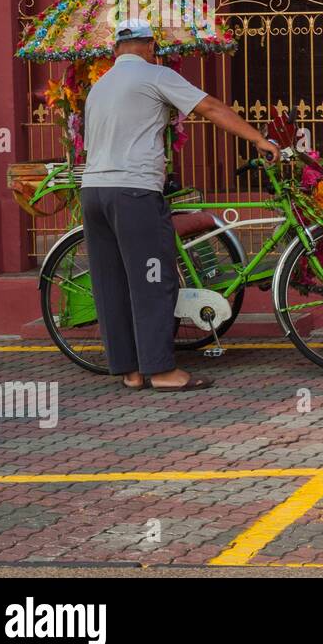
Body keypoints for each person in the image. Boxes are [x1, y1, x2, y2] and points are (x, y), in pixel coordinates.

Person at [81, 19, 280, 391]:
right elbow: (210, 107)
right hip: (133, 193)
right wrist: (257, 139)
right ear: (150, 46)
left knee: (112, 283)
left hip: (93, 192)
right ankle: (160, 371)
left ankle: (130, 371)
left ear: (115, 50)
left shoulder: (98, 87)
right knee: (152, 279)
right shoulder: (155, 76)